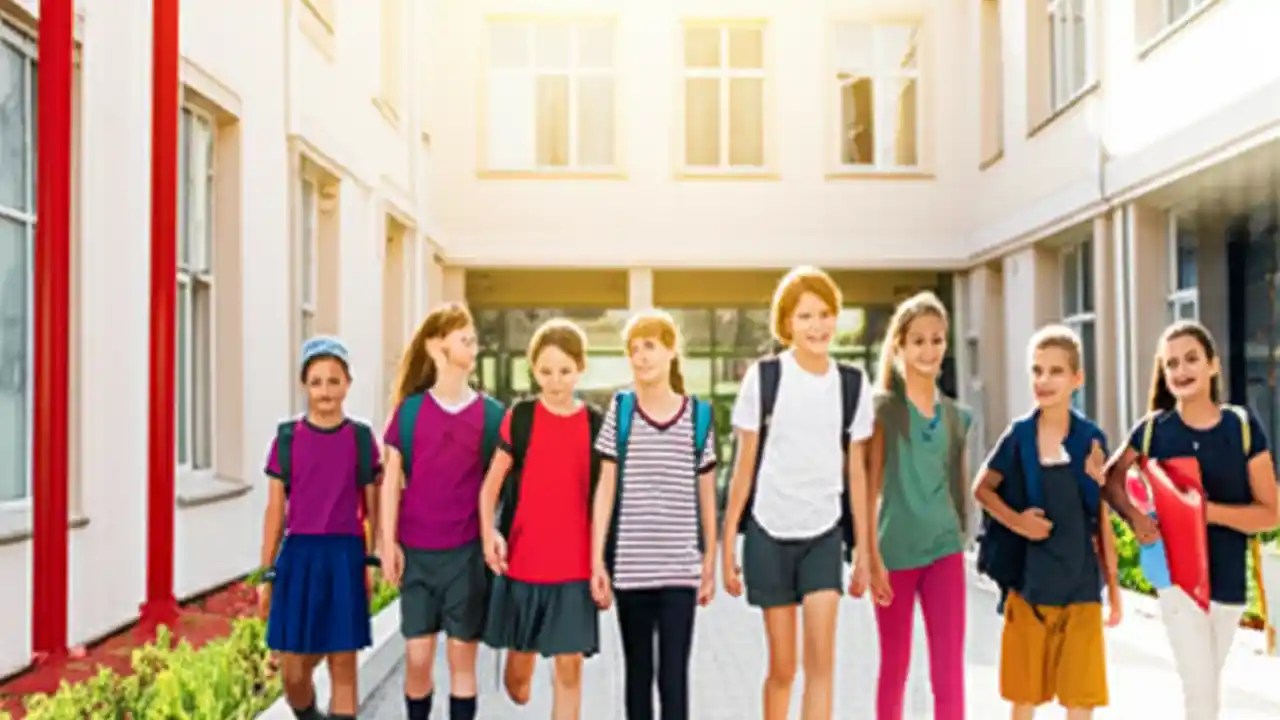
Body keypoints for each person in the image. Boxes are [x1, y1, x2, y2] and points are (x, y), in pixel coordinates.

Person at [1101, 320, 1277, 720]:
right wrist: (1135, 520)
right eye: (1171, 363)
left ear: (1213, 365)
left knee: (1204, 689)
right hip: (1176, 579)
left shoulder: (1243, 428)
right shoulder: (1153, 432)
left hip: (1229, 584)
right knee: (1201, 695)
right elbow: (1110, 482)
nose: (1181, 371)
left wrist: (1204, 512)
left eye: (1191, 359)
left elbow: (1271, 512)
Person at [720, 266, 874, 720]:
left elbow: (857, 473)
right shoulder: (765, 379)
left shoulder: (852, 385)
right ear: (787, 323)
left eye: (825, 314)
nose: (818, 325)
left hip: (823, 535)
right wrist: (728, 541)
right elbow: (743, 467)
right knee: (783, 668)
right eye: (806, 316)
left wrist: (864, 547)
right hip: (770, 532)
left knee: (821, 664)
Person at [973, 324, 1117, 720]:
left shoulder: (1090, 438)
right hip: (1030, 586)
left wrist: (1115, 592)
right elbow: (981, 489)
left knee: (1080, 698)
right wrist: (1018, 522)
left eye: (1055, 371)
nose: (1044, 380)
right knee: (1023, 696)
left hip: (1081, 587)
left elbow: (1099, 517)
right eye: (1036, 371)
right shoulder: (1019, 436)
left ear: (1077, 379)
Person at [589, 310, 719, 720]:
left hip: (681, 569)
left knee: (674, 678)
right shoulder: (622, 411)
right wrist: (596, 560)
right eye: (633, 349)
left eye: (649, 346)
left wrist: (711, 558)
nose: (641, 357)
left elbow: (706, 494)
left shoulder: (698, 416)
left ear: (671, 351)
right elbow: (605, 488)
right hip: (631, 568)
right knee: (638, 675)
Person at [378, 303, 505, 720]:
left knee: (461, 662)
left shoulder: (491, 416)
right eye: (462, 336)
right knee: (417, 659)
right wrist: (387, 543)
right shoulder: (410, 413)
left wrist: (495, 536)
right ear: (437, 347)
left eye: (473, 336)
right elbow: (391, 484)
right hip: (417, 555)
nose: (473, 342)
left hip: (465, 557)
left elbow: (499, 486)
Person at [479, 318, 602, 720]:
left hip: (574, 571)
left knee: (569, 673)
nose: (555, 381)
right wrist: (488, 534)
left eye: (565, 371)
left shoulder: (595, 424)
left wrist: (603, 564)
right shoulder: (522, 418)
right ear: (533, 369)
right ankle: (521, 656)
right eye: (546, 371)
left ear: (580, 369)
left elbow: (605, 497)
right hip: (524, 567)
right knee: (518, 686)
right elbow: (490, 487)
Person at [259, 336, 382, 720]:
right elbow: (274, 513)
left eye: (333, 381)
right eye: (316, 382)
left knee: (343, 664)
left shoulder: (361, 439)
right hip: (298, 559)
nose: (325, 391)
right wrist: (266, 573)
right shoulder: (286, 440)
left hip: (344, 556)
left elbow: (374, 508)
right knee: (293, 671)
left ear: (347, 384)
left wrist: (373, 560)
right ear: (304, 385)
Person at [864, 292, 971, 720]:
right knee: (895, 667)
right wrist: (869, 556)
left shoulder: (956, 416)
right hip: (895, 556)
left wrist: (962, 539)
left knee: (948, 673)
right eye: (918, 341)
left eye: (937, 340)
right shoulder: (881, 412)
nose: (929, 350)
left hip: (945, 552)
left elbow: (957, 489)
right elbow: (869, 488)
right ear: (899, 347)